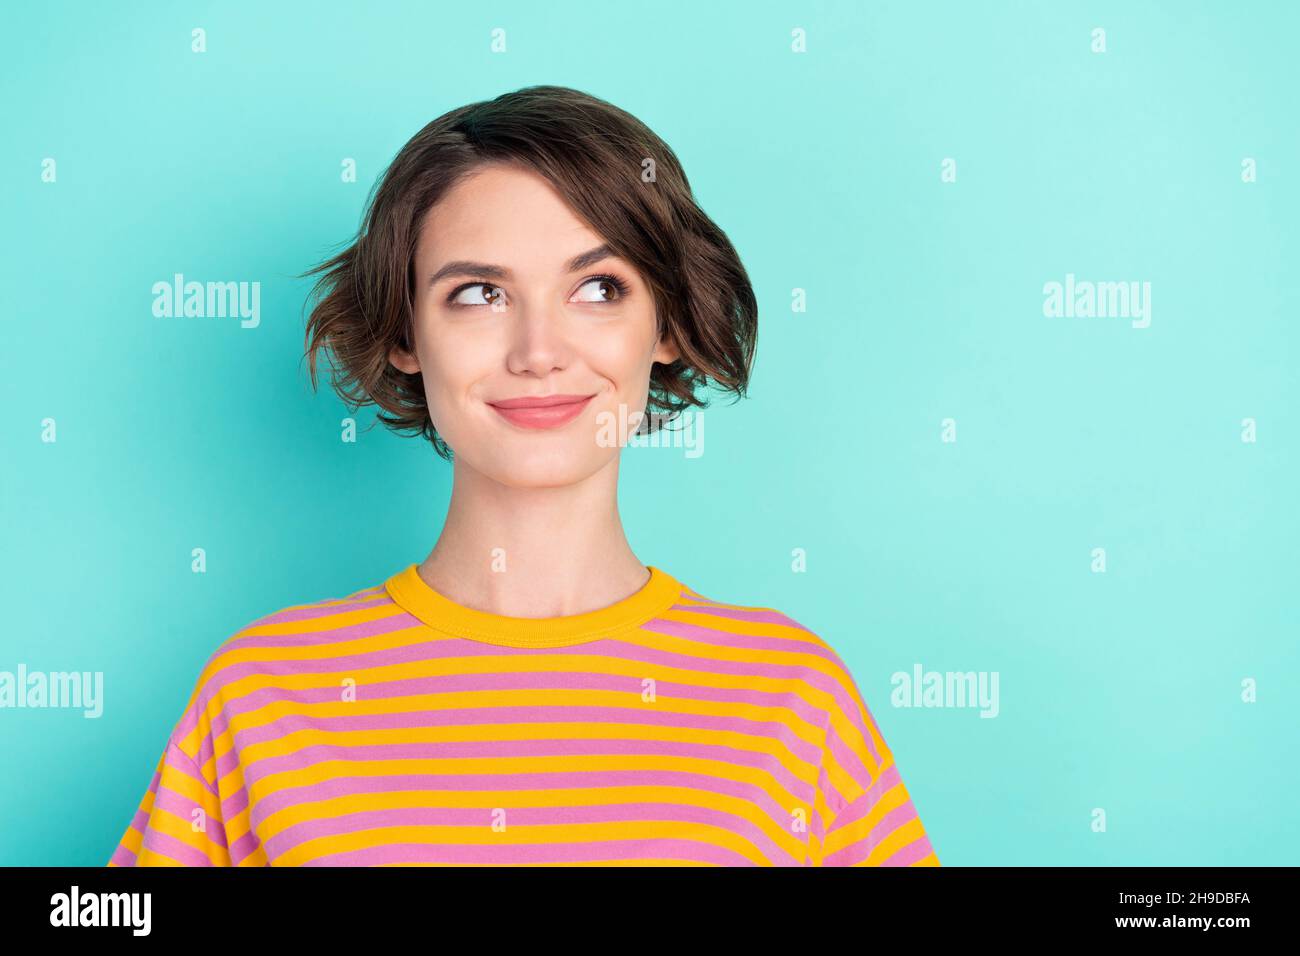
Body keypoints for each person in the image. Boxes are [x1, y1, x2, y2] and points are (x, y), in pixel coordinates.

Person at [108, 85, 938, 867]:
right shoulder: (262, 698)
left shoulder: (791, 699)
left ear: (667, 327)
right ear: (405, 335)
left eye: (599, 288)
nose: (539, 352)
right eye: (478, 294)